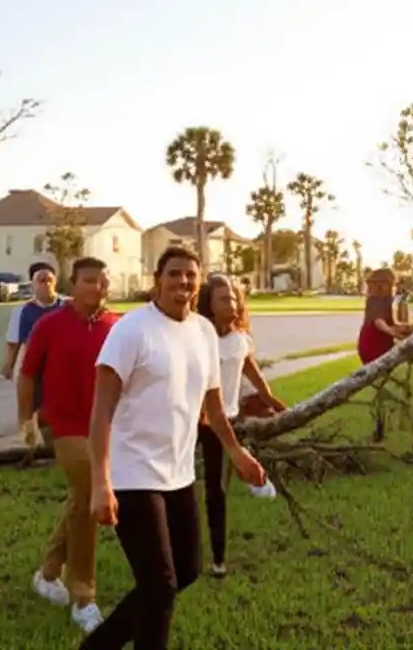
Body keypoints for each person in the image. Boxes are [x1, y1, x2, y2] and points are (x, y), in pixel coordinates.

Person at [83, 248, 267, 650]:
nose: (183, 282)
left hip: (179, 472)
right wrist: (101, 482)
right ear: (157, 278)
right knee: (160, 585)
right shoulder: (132, 330)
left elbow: (214, 408)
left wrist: (236, 452)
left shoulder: (203, 331)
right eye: (175, 274)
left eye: (190, 276)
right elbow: (101, 412)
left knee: (185, 571)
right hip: (133, 473)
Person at [17, 257, 118, 635]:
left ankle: (47, 573)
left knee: (80, 501)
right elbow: (27, 375)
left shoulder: (118, 325)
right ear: (73, 285)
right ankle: (84, 599)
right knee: (91, 498)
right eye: (89, 281)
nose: (97, 287)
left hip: (108, 429)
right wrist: (25, 420)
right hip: (67, 427)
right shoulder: (50, 324)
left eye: (103, 281)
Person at [195, 272, 286, 576]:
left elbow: (250, 368)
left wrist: (269, 398)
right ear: (209, 303)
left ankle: (218, 559)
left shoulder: (239, 338)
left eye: (234, 298)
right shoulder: (197, 335)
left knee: (215, 488)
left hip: (224, 419)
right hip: (192, 419)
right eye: (224, 299)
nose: (231, 304)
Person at [2, 262, 64, 380]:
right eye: (42, 281)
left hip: (62, 366)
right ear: (32, 285)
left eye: (50, 280)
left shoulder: (68, 307)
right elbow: (13, 343)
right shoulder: (21, 311)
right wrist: (9, 365)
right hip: (33, 366)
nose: (47, 284)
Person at [357, 268, 413, 364]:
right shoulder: (374, 300)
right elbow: (379, 322)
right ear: (383, 284)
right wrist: (392, 332)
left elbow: (393, 323)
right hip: (372, 344)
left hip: (384, 343)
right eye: (392, 283)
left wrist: (408, 328)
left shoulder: (389, 300)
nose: (394, 286)